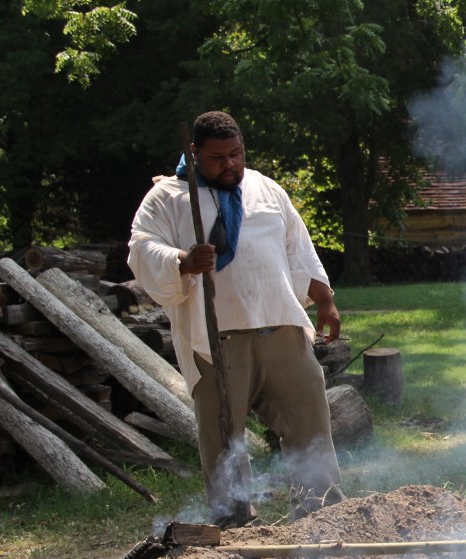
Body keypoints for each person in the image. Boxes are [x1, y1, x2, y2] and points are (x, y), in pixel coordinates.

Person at [128, 110, 345, 526]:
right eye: (216, 158)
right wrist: (183, 261)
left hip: (280, 326)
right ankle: (235, 525)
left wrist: (324, 299)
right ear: (194, 153)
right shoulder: (169, 198)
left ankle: (322, 516)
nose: (229, 165)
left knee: (309, 421)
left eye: (236, 154)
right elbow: (140, 249)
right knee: (223, 438)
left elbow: (296, 247)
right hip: (217, 339)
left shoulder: (265, 188)